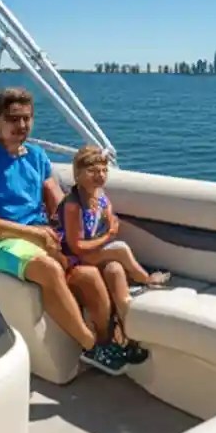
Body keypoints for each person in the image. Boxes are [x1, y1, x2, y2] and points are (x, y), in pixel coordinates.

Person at [0, 87, 128, 374]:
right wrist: (33, 234)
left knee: (89, 275)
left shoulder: (36, 156)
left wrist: (78, 228)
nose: (21, 126)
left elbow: (57, 201)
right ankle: (92, 347)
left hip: (38, 233)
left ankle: (109, 340)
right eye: (13, 119)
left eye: (27, 118)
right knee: (49, 268)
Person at [57, 145, 170, 360]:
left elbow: (110, 218)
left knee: (116, 269)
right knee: (120, 249)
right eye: (92, 171)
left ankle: (130, 337)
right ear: (78, 175)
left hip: (94, 252)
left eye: (103, 171)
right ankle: (145, 278)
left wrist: (108, 224)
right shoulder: (74, 206)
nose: (99, 176)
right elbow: (76, 246)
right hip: (78, 258)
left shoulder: (100, 197)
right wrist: (108, 237)